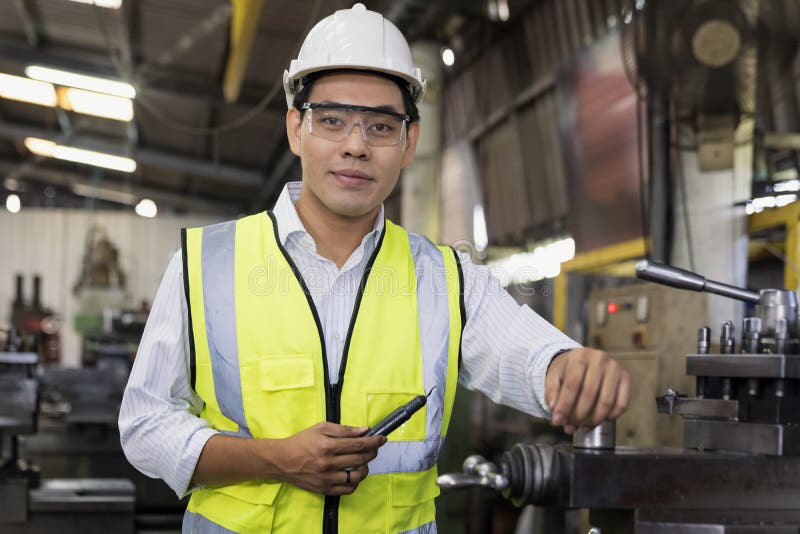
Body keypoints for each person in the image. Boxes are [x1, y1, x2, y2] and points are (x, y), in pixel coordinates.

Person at [119, 4, 631, 533]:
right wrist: (275, 459)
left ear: (409, 142)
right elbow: (144, 425)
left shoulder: (447, 279)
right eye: (333, 121)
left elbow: (529, 359)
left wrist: (571, 370)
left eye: (381, 127)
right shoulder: (205, 264)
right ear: (297, 128)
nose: (356, 146)